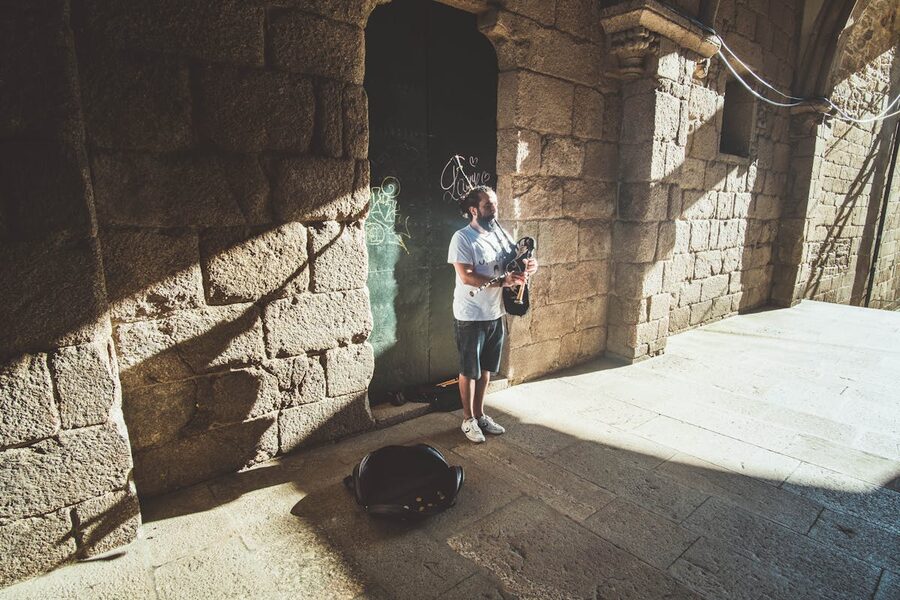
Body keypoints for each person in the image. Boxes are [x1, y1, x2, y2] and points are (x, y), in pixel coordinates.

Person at [447, 185, 538, 443]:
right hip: (470, 315)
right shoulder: (462, 238)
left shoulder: (500, 234)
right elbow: (466, 276)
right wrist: (504, 281)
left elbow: (516, 260)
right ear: (474, 210)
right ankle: (467, 420)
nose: (494, 209)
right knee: (469, 370)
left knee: (486, 369)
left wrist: (530, 264)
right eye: (489, 206)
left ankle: (480, 414)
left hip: (495, 312)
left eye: (495, 204)